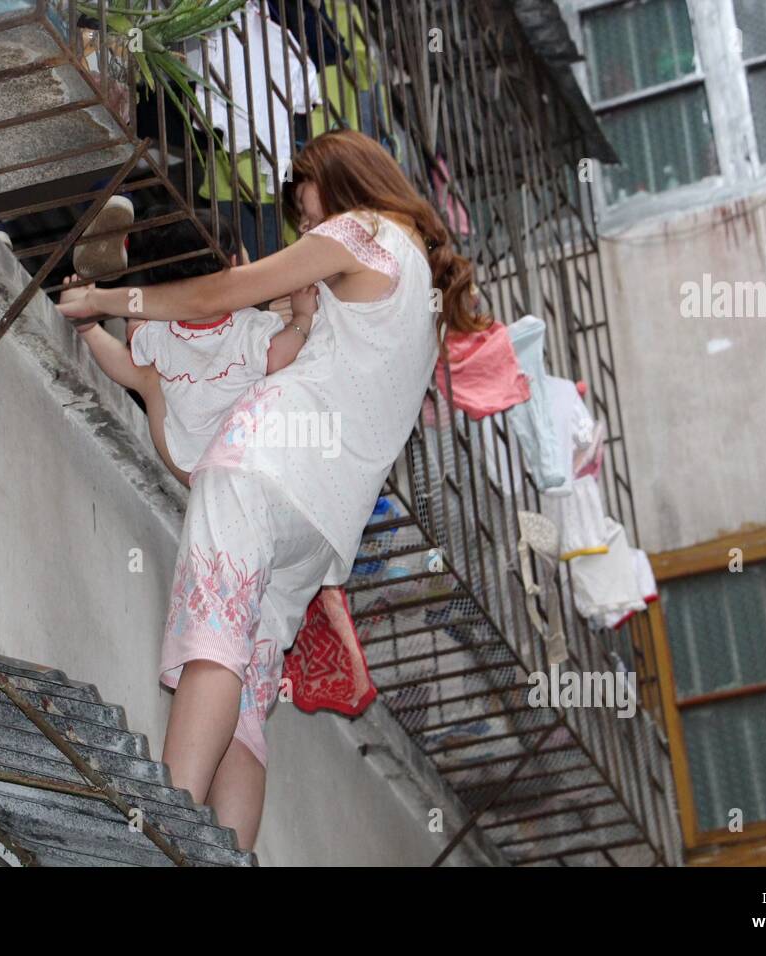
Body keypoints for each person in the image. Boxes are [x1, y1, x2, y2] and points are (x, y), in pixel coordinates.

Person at [58, 129, 487, 852]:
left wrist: (111, 296)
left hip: (264, 465)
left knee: (211, 646)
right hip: (322, 528)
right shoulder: (425, 298)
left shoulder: (362, 233)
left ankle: (156, 842)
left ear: (344, 181)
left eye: (309, 212)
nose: (309, 231)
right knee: (249, 705)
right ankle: (218, 855)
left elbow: (223, 292)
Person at [69, 206, 319, 487]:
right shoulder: (251, 326)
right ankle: (88, 314)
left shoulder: (158, 331)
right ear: (235, 263)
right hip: (244, 457)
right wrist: (302, 318)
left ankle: (88, 327)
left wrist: (145, 309)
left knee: (145, 374)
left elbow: (134, 329)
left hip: (189, 463)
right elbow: (277, 358)